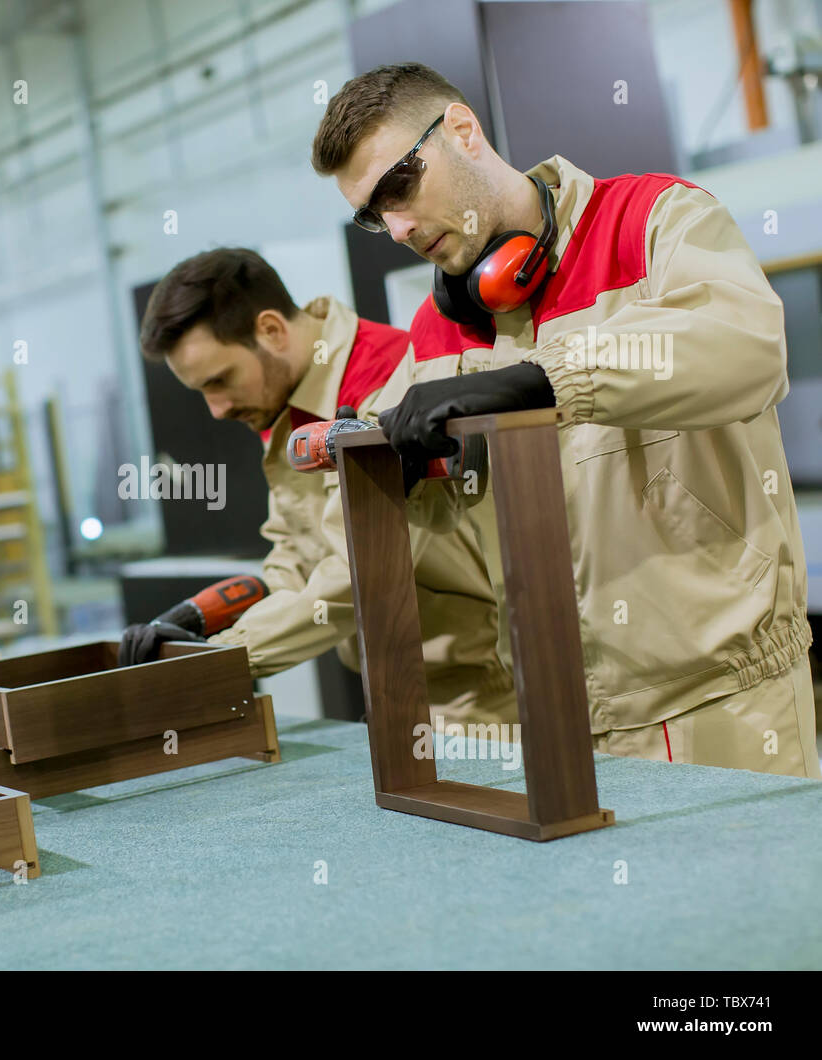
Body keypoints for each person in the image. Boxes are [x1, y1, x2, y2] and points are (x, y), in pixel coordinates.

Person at [310, 61, 819, 777]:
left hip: (721, 703)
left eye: (399, 186)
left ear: (463, 131)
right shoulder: (438, 329)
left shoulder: (653, 217)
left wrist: (544, 379)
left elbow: (746, 348)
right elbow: (442, 534)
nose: (394, 227)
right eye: (371, 213)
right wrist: (397, 479)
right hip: (560, 718)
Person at [129, 247, 516, 727]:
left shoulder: (389, 382)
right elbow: (293, 555)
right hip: (398, 688)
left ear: (270, 331)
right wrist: (199, 618)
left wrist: (221, 658)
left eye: (220, 380)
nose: (218, 408)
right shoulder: (283, 398)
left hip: (481, 697)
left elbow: (360, 570)